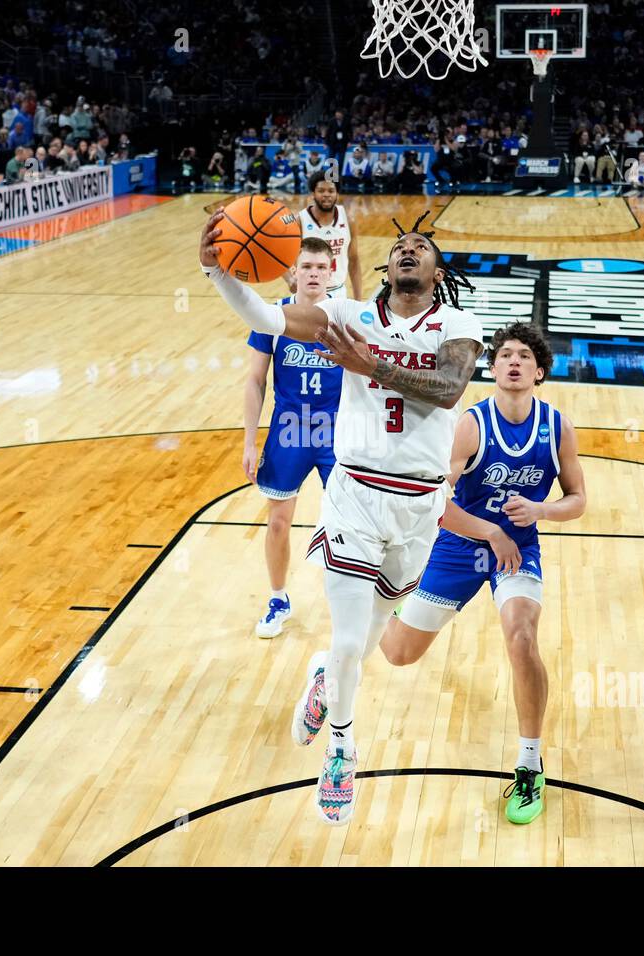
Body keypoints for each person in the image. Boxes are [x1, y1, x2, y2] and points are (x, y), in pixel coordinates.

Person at [203, 208, 483, 825]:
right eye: (400, 246)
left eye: (421, 247)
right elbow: (270, 318)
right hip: (354, 492)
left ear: (437, 272)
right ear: (386, 267)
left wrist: (371, 367)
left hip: (419, 509)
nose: (408, 250)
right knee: (354, 638)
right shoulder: (347, 315)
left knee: (363, 648)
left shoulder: (458, 323)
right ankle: (341, 748)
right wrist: (217, 272)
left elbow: (448, 388)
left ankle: (322, 677)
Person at [380, 323, 586, 825]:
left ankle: (530, 764)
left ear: (539, 373)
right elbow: (437, 504)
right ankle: (381, 604)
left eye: (524, 357)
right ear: (493, 370)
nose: (513, 362)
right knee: (397, 654)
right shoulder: (470, 424)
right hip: (459, 544)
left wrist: (540, 511)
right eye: (504, 356)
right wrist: (490, 533)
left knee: (521, 636)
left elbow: (578, 501)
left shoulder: (557, 426)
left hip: (519, 549)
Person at [242, 238, 341, 637]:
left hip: (338, 433)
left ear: (331, 273)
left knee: (352, 523)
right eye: (307, 267)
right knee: (279, 521)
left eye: (321, 266)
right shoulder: (271, 318)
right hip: (289, 433)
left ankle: (373, 597)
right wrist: (249, 441)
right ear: (294, 273)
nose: (314, 273)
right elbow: (254, 380)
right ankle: (278, 598)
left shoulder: (347, 318)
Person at [298, 175, 362, 299]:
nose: (326, 194)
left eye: (331, 191)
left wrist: (358, 301)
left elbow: (354, 261)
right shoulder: (300, 220)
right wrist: (290, 279)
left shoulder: (348, 219)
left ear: (337, 194)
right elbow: (283, 257)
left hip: (338, 292)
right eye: (321, 191)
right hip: (308, 292)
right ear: (313, 194)